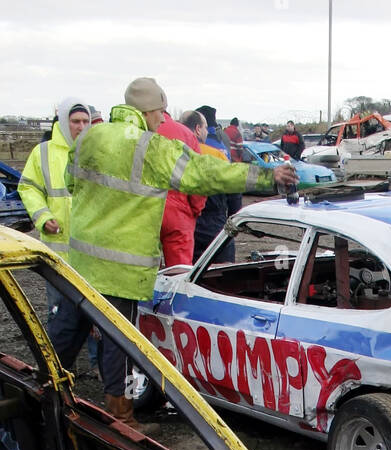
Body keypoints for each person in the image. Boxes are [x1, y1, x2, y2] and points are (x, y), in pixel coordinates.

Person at [65, 77, 296, 421]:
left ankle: (37, 400)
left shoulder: (90, 137)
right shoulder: (150, 147)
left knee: (65, 338)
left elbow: (72, 183)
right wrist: (267, 177)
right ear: (150, 110)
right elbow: (206, 173)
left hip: (80, 265)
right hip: (120, 272)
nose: (163, 121)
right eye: (160, 113)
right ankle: (120, 421)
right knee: (118, 347)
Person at [18, 98, 95, 365]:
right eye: (75, 121)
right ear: (63, 122)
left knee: (98, 312)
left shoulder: (96, 150)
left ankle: (97, 366)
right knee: (59, 311)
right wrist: (43, 217)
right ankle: (58, 368)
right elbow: (28, 187)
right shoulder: (43, 152)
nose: (81, 127)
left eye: (86, 121)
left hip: (92, 251)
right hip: (58, 250)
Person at [193, 104, 243, 266]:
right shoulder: (222, 144)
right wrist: (235, 217)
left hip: (192, 220)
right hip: (216, 217)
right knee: (223, 272)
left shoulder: (184, 146)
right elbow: (233, 187)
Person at [158, 111, 205, 267]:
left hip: (144, 208)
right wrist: (196, 209)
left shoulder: (135, 130)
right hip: (178, 212)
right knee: (179, 268)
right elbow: (197, 179)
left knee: (144, 267)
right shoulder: (185, 134)